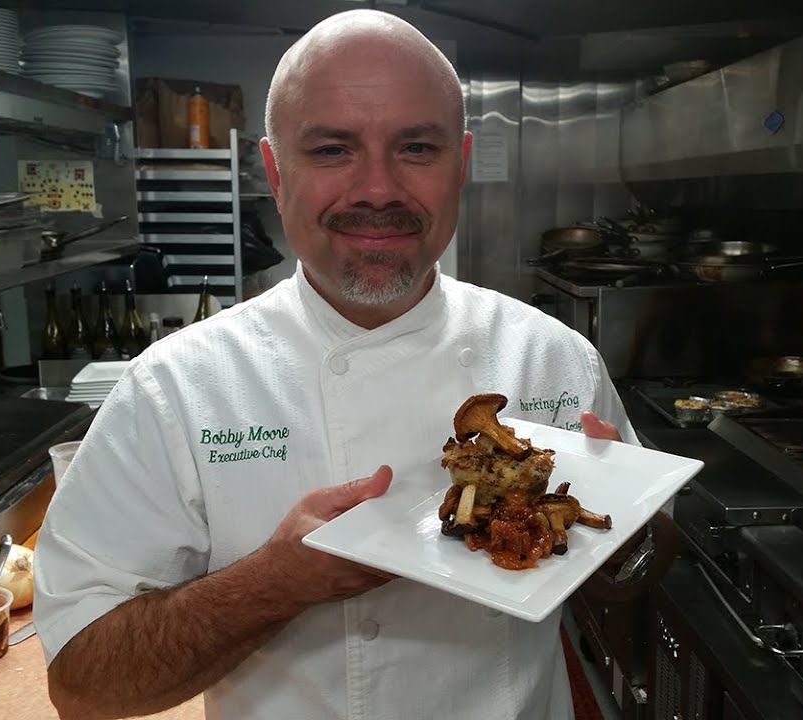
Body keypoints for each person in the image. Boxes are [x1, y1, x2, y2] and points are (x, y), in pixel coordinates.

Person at [34, 8, 644, 720]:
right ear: (274, 172)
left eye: (417, 147)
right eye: (332, 150)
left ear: (461, 166)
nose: (378, 188)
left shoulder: (554, 357)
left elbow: (626, 578)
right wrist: (276, 583)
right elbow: (83, 684)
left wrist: (628, 522)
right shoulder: (177, 389)